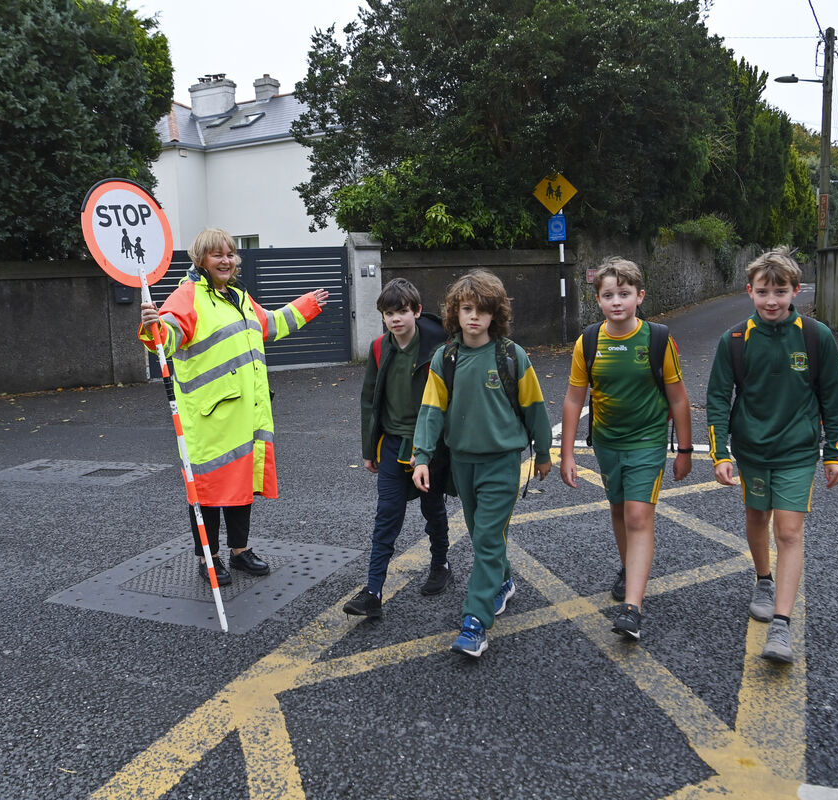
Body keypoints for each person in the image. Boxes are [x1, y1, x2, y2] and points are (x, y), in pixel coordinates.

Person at [138, 228, 328, 587]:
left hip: (246, 415)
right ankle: (207, 559)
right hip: (210, 418)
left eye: (230, 254)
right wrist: (154, 328)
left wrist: (307, 305)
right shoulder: (187, 296)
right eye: (217, 255)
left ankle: (240, 552)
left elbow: (269, 325)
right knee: (208, 491)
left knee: (241, 487)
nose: (226, 261)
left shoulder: (239, 297)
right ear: (201, 260)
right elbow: (169, 335)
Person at [706, 247, 838, 664]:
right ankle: (763, 580)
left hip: (797, 451)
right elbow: (717, 399)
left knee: (788, 532)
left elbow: (833, 399)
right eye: (764, 291)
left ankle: (782, 625)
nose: (772, 300)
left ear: (796, 292)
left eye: (780, 291)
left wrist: (834, 452)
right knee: (756, 518)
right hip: (752, 450)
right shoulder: (734, 340)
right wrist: (720, 453)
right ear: (749, 291)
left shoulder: (815, 337)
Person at [412, 270, 552, 658]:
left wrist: (543, 453)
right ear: (455, 313)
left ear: (496, 315)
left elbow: (535, 407)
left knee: (488, 539)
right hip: (462, 463)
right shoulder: (446, 357)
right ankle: (503, 583)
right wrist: (421, 456)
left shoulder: (511, 355)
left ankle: (474, 622)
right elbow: (430, 411)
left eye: (482, 310)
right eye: (466, 309)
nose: (473, 317)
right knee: (481, 536)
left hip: (503, 463)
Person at [559, 258, 692, 641]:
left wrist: (684, 450)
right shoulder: (588, 341)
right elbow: (572, 400)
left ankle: (632, 607)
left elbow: (679, 400)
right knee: (618, 509)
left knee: (637, 516)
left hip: (648, 441)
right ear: (597, 300)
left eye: (624, 293)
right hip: (606, 441)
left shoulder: (658, 339)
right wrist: (567, 454)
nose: (616, 302)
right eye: (608, 295)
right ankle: (628, 566)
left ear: (639, 296)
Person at [343, 279, 451, 619]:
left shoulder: (440, 348)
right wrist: (368, 449)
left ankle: (440, 564)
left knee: (433, 508)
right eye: (389, 313)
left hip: (428, 445)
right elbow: (369, 400)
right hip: (391, 444)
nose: (396, 319)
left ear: (417, 311)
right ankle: (373, 591)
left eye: (402, 311)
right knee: (386, 515)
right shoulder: (379, 348)